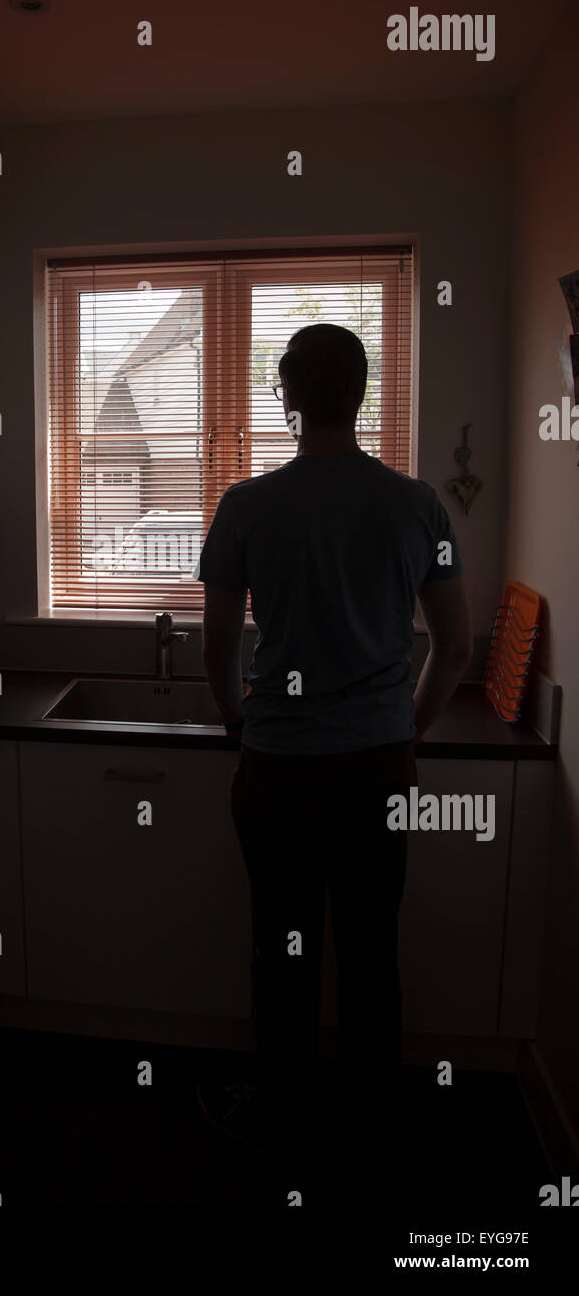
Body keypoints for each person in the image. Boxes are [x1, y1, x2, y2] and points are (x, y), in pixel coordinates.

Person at [194, 323, 472, 1190]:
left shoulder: (244, 506)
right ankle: (370, 1127)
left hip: (279, 769)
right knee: (371, 947)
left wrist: (244, 722)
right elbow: (454, 649)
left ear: (287, 397)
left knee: (284, 948)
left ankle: (284, 1122)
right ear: (362, 396)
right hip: (377, 769)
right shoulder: (419, 505)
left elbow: (215, 655)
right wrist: (406, 731)